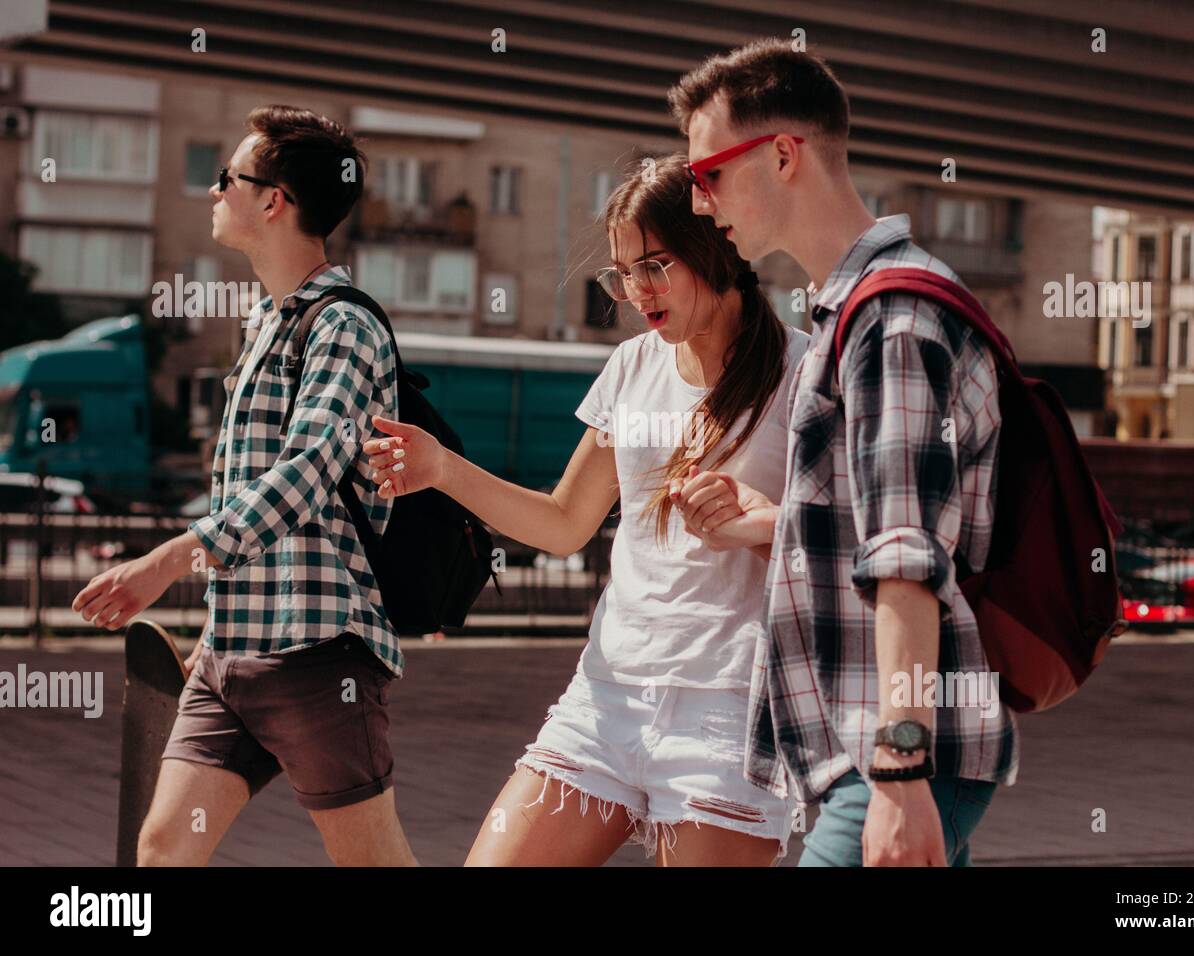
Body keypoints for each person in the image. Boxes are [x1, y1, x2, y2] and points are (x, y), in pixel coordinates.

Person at [364, 155, 809, 866]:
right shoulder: (632, 367)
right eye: (622, 272)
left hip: (731, 708)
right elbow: (564, 522)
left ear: (715, 247)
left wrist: (757, 522)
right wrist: (443, 470)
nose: (637, 291)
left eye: (654, 265)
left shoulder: (806, 377)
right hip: (607, 694)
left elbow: (850, 542)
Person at [667, 38, 1018, 866]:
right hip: (866, 756)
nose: (699, 201)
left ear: (783, 154)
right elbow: (873, 531)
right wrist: (773, 525)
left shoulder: (892, 321)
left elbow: (908, 557)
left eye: (707, 174)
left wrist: (899, 775)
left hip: (893, 756)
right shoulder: (849, 313)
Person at [72, 105, 417, 866]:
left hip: (318, 652)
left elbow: (305, 476)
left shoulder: (344, 327)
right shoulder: (264, 324)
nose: (212, 192)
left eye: (227, 178)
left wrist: (163, 562)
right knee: (162, 850)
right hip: (230, 659)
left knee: (372, 862)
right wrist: (214, 627)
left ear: (274, 201)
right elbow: (245, 497)